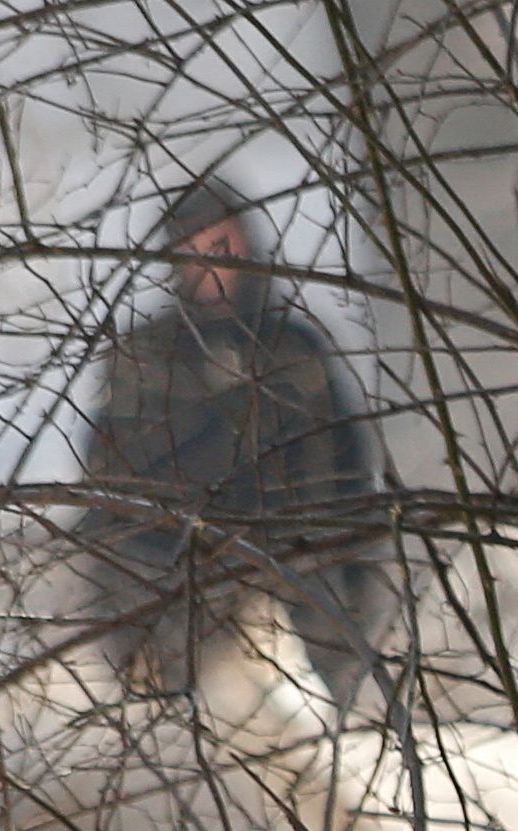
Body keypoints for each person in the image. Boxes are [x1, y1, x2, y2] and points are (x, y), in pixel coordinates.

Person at [74, 175, 392, 707]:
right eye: (195, 243)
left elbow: (345, 477)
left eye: (222, 240)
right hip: (178, 594)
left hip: (295, 582)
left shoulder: (295, 353)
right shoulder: (145, 358)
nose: (212, 257)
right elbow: (110, 490)